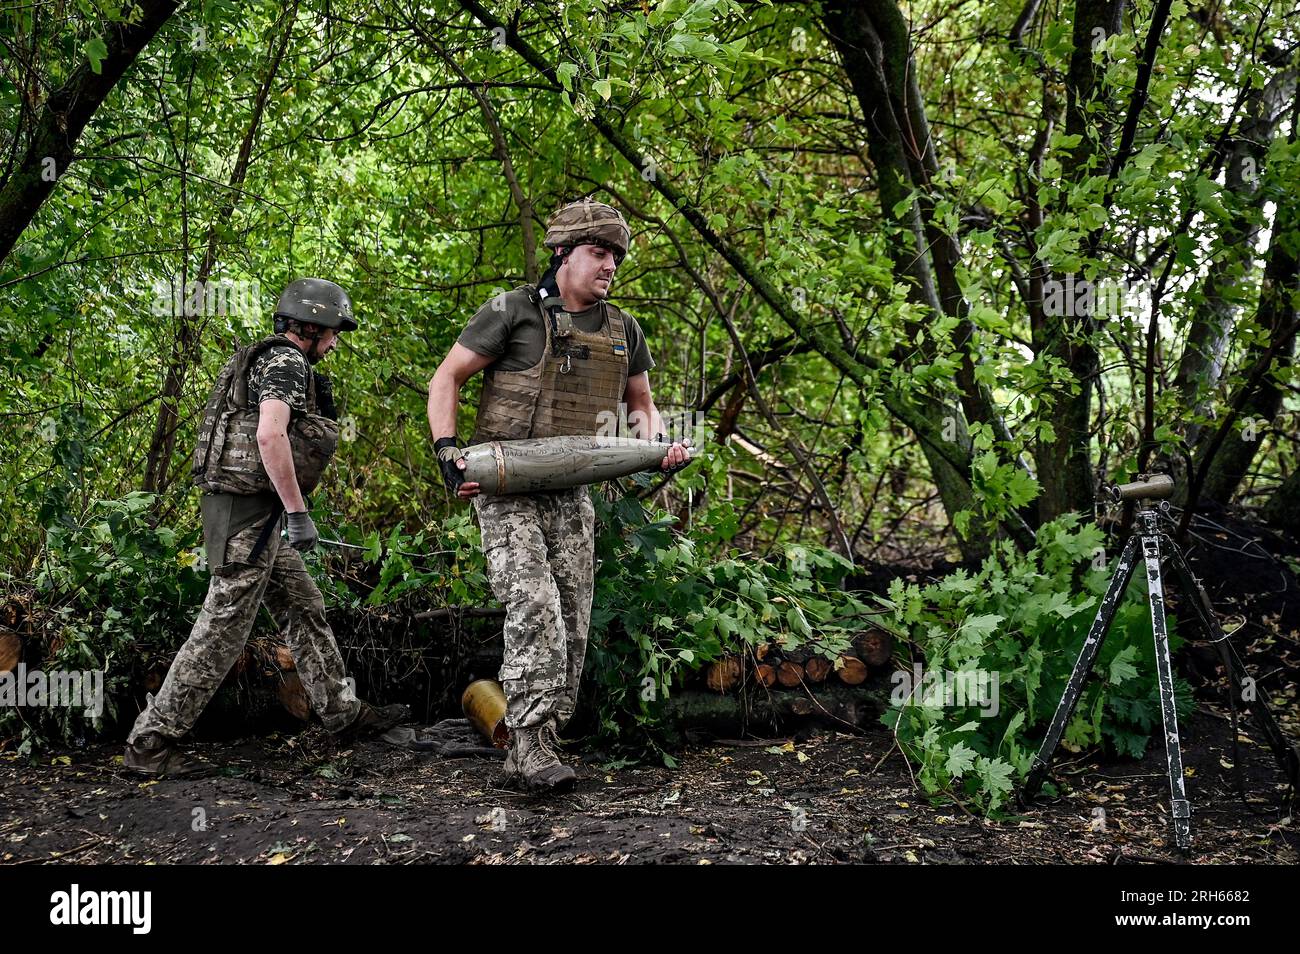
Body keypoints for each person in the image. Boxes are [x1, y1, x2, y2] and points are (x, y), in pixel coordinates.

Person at [427, 200, 688, 793]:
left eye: (616, 256)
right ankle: (529, 744)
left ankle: (543, 732)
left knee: (573, 617)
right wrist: (448, 450)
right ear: (562, 254)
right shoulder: (512, 312)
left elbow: (641, 405)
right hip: (505, 483)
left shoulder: (625, 329)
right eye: (599, 253)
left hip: (572, 491)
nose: (610, 266)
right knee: (535, 605)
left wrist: (656, 446)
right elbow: (448, 378)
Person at [125, 278, 408, 776]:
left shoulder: (270, 359)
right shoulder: (287, 362)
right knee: (221, 630)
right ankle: (150, 743)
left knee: (303, 604)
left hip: (253, 516)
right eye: (333, 332)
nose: (336, 341)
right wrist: (297, 511)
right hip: (248, 519)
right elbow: (270, 435)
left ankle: (342, 713)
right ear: (312, 327)